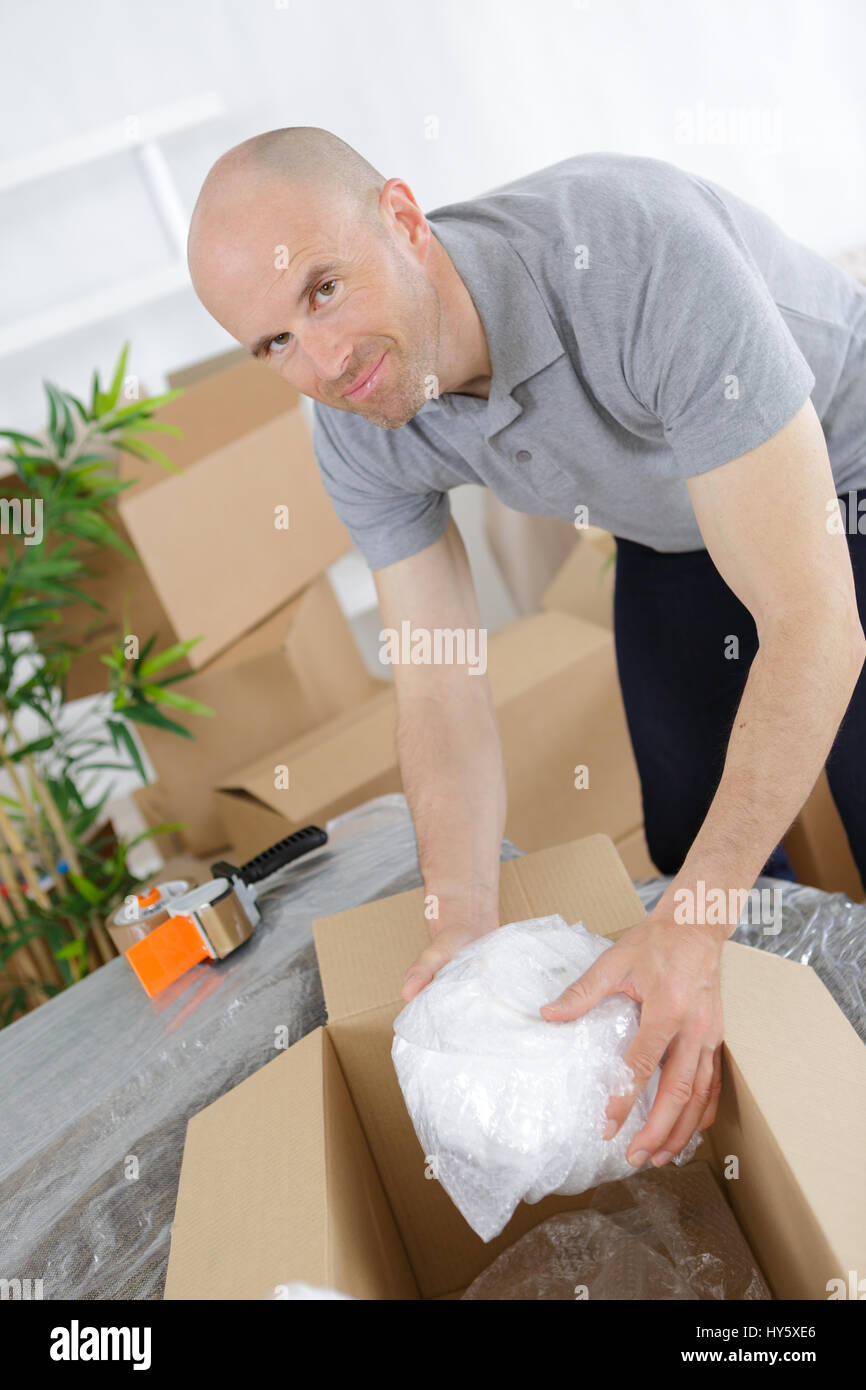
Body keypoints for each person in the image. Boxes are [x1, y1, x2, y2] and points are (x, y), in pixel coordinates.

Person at [187, 126, 866, 1173]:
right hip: (676, 521)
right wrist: (459, 923)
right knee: (691, 833)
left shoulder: (636, 257)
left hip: (842, 462)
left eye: (323, 289)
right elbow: (438, 690)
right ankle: (799, 1085)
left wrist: (691, 927)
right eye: (271, 343)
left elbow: (814, 626)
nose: (323, 363)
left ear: (403, 220)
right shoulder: (357, 420)